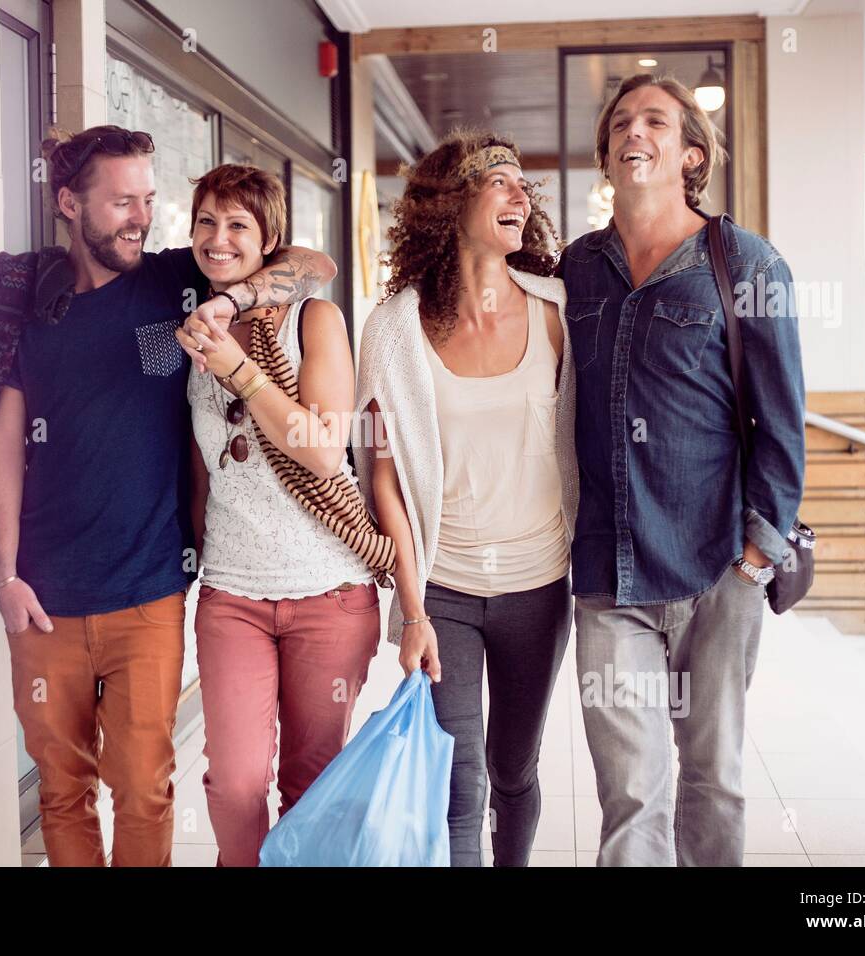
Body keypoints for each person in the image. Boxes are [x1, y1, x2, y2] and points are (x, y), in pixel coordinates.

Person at [0, 126, 336, 866]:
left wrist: (232, 304)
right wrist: (3, 575)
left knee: (143, 786)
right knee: (63, 790)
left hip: (150, 591)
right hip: (44, 597)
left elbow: (310, 263)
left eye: (148, 199)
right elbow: (0, 445)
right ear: (68, 203)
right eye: (120, 202)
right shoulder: (28, 308)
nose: (140, 217)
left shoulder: (176, 283)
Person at [560, 75, 805, 866]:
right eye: (622, 121)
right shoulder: (575, 270)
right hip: (610, 575)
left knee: (712, 781)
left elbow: (781, 420)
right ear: (606, 152)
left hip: (716, 570)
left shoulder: (745, 263)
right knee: (631, 791)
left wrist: (757, 556)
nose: (635, 130)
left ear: (689, 153)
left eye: (656, 120)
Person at [352, 131, 577, 867]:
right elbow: (381, 475)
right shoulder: (394, 329)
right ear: (451, 203)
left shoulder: (556, 312)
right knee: (460, 776)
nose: (520, 194)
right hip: (443, 588)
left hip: (538, 586)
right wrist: (412, 611)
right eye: (498, 182)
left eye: (524, 184)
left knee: (514, 773)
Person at [174, 164, 393, 867]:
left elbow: (326, 452)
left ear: (268, 237)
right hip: (233, 593)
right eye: (206, 221)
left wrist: (238, 364)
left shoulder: (312, 318)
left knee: (314, 783)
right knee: (234, 783)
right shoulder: (183, 329)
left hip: (328, 592)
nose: (219, 237)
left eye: (238, 224)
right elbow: (204, 475)